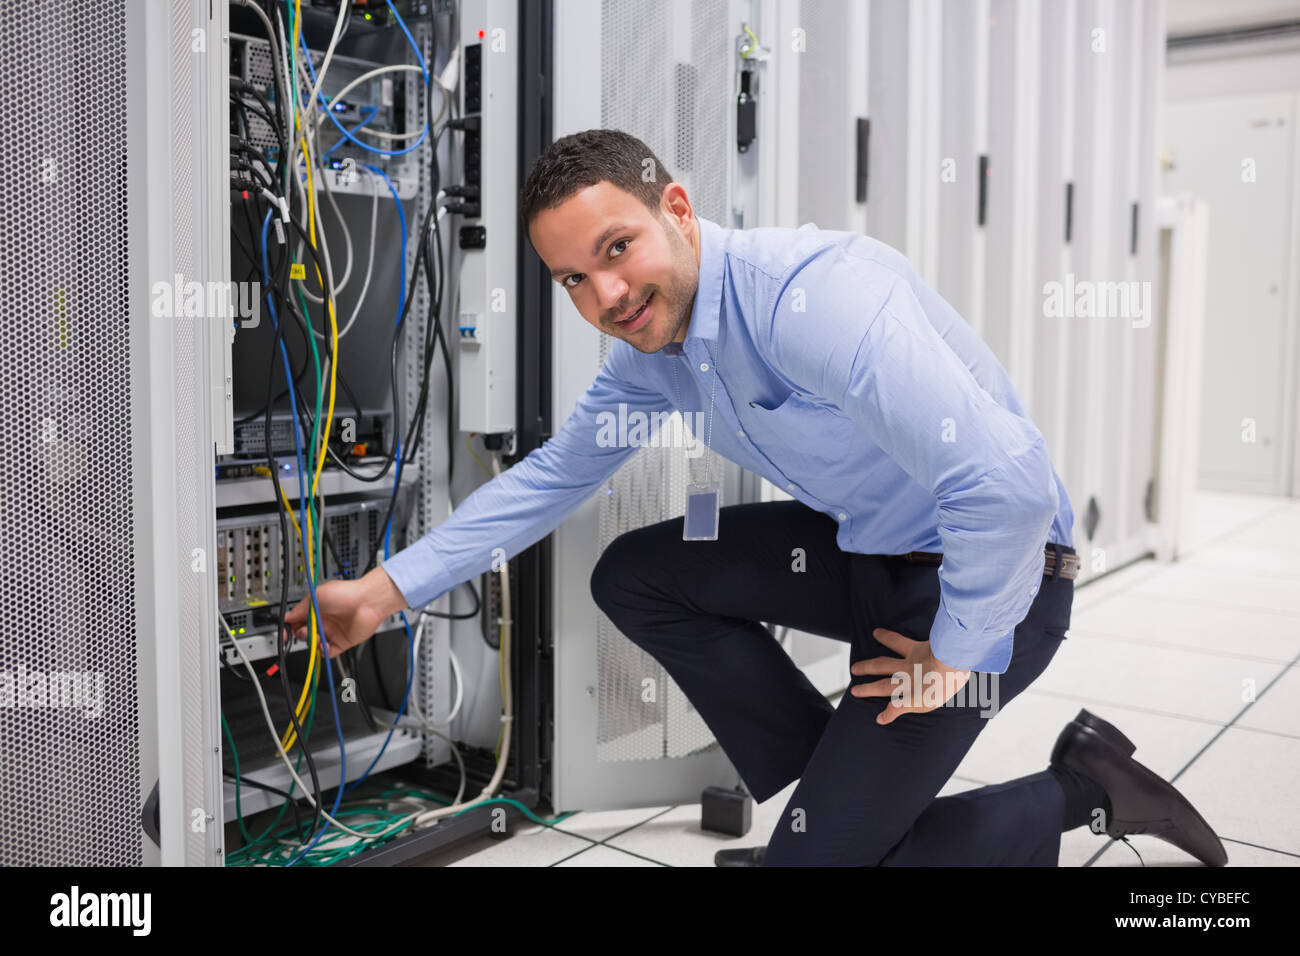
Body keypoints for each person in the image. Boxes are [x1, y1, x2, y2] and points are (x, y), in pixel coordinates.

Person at [285, 128, 1227, 867]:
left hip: (1001, 592)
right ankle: (845, 798)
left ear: (679, 209)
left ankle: (1081, 790)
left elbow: (1009, 482)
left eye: (619, 248)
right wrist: (385, 591)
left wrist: (952, 657)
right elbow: (553, 475)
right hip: (871, 558)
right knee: (640, 574)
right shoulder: (652, 351)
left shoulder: (810, 303)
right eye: (575, 278)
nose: (607, 294)